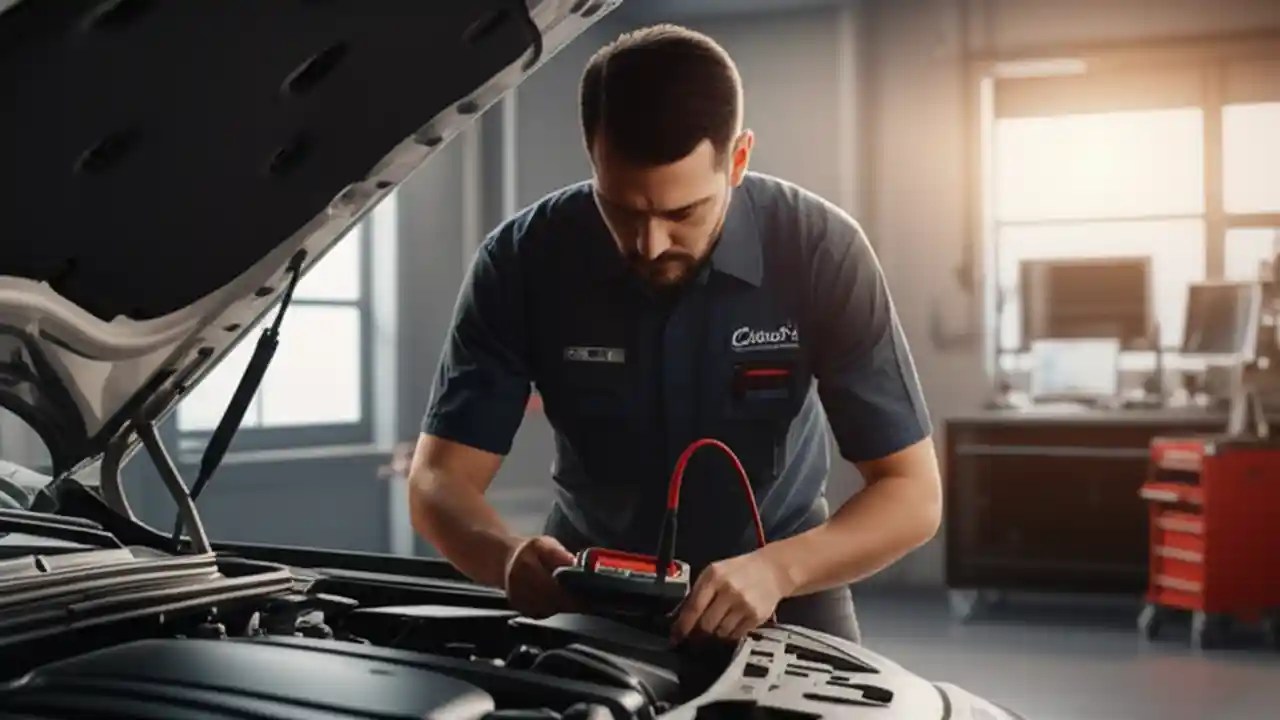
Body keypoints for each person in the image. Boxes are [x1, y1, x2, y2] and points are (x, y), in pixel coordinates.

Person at [407, 24, 941, 645]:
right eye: (622, 209)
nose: (648, 244)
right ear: (593, 159)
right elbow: (437, 480)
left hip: (782, 584)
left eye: (682, 214)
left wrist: (779, 568)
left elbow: (912, 492)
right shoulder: (522, 261)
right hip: (588, 582)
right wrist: (502, 556)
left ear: (737, 159)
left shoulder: (821, 250)